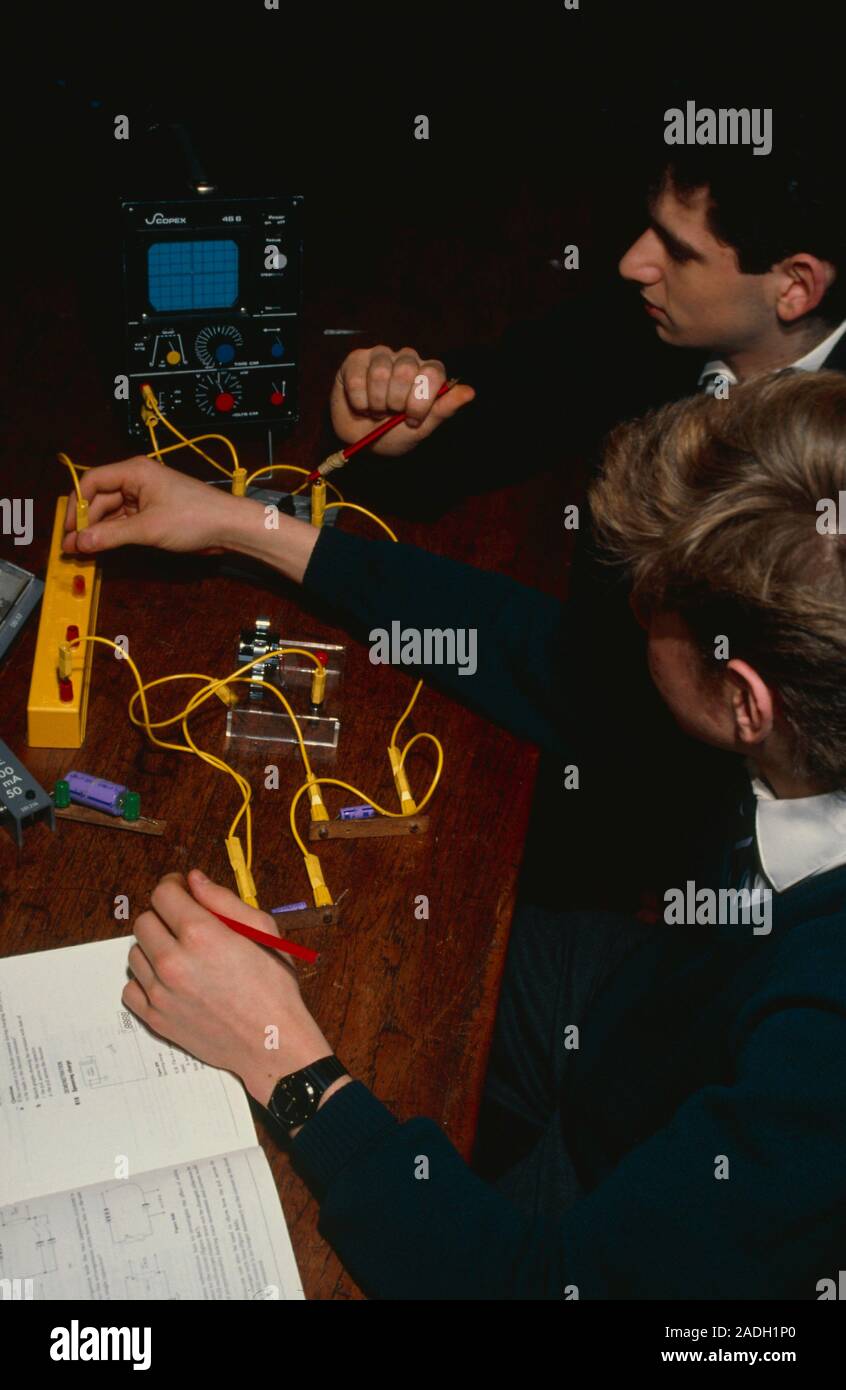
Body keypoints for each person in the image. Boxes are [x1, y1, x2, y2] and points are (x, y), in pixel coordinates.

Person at [64, 371, 846, 1298]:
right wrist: (243, 524)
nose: (632, 621)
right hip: (640, 1005)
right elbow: (544, 657)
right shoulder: (809, 710)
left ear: (746, 700)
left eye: (650, 613)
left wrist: (285, 1063)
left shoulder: (822, 1050)